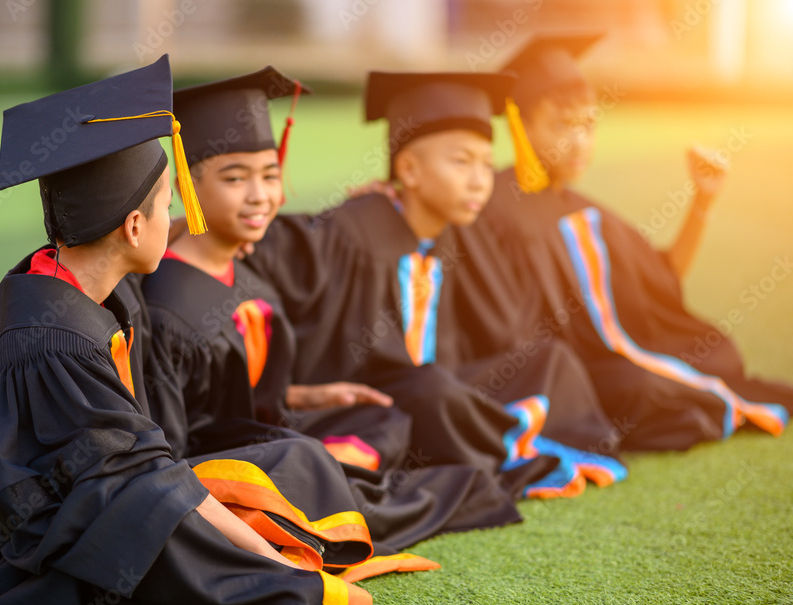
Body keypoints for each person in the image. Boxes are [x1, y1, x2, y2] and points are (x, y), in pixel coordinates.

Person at [0, 55, 385, 605]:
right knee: (170, 529)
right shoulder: (51, 342)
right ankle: (285, 571)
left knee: (273, 467)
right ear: (134, 226)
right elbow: (137, 477)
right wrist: (263, 556)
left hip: (79, 485)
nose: (178, 217)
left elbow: (129, 460)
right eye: (169, 205)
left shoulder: (79, 286)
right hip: (8, 544)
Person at [143, 66, 539, 552]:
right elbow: (172, 441)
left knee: (387, 418)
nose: (260, 195)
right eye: (234, 177)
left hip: (267, 435)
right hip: (219, 462)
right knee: (314, 460)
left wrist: (309, 397)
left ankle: (329, 479)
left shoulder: (245, 272)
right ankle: (320, 488)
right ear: (188, 186)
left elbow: (248, 390)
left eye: (270, 175)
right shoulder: (169, 303)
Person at [245, 69, 627, 497]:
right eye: (461, 162)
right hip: (368, 403)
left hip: (436, 388)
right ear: (408, 168)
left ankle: (513, 440)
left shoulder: (454, 225)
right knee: (433, 392)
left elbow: (499, 320)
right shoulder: (351, 230)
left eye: (485, 163)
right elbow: (257, 250)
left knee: (549, 360)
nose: (480, 180)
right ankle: (506, 447)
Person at [478, 32, 791, 449]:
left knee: (709, 353)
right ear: (522, 125)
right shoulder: (490, 203)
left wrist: (702, 201)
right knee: (637, 388)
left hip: (607, 368)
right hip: (549, 378)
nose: (579, 143)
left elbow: (662, 279)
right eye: (561, 125)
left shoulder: (586, 211)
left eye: (588, 125)